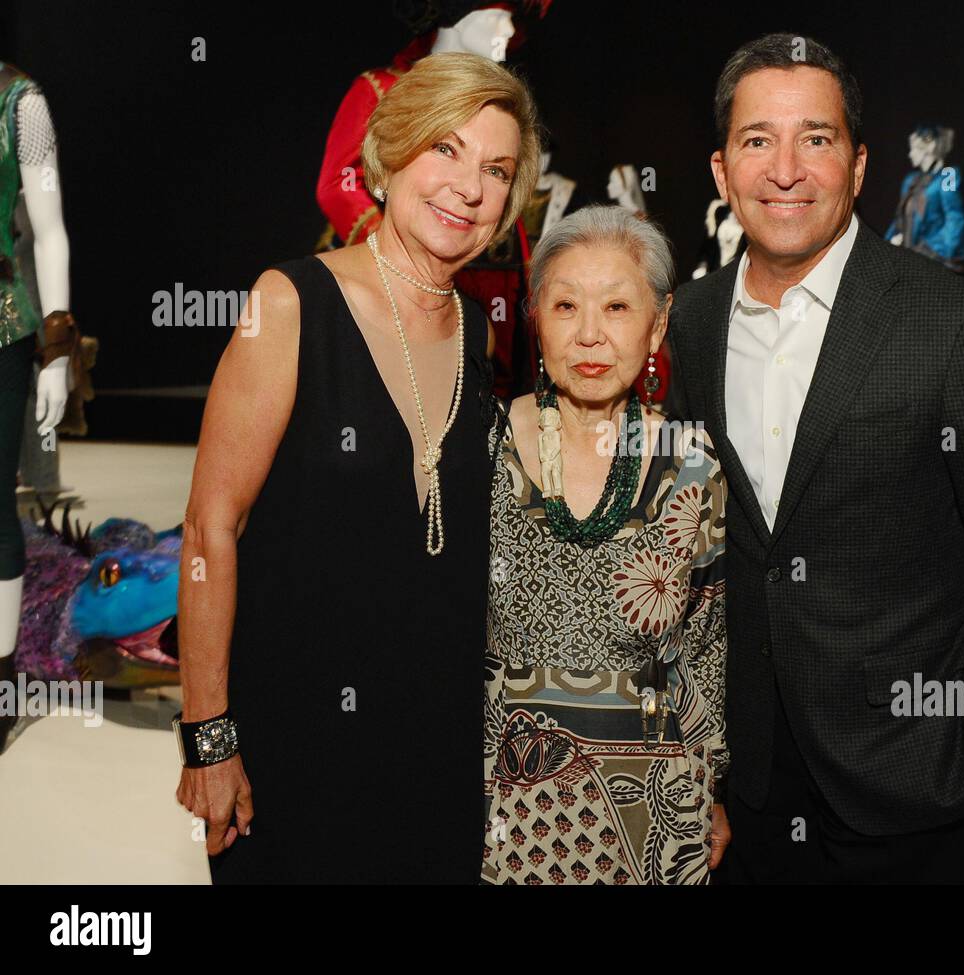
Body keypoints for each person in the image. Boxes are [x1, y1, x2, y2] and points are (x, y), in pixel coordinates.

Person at [665, 34, 964, 883]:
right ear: (719, 170)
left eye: (815, 138)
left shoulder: (956, 325)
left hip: (909, 789)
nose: (785, 169)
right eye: (756, 140)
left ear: (857, 166)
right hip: (740, 793)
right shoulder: (688, 322)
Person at [177, 52, 541, 883]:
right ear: (392, 153)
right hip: (294, 750)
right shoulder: (290, 302)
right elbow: (210, 529)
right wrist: (209, 739)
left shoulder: (481, 333)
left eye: (496, 168)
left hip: (437, 753)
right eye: (445, 150)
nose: (468, 186)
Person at [481, 205, 730, 885]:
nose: (589, 333)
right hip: (501, 798)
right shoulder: (481, 448)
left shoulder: (694, 462)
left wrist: (705, 786)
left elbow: (705, 645)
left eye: (617, 306)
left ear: (656, 323)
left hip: (654, 803)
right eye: (566, 305)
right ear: (536, 318)